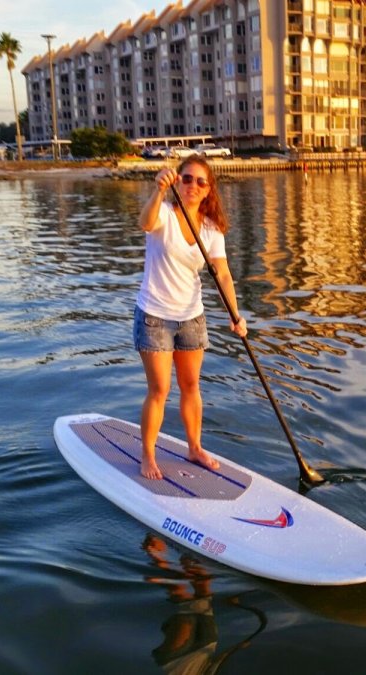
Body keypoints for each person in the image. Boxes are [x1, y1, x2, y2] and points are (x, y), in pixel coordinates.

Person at [135, 157, 247, 480]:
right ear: (177, 181)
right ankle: (147, 454)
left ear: (208, 189)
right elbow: (145, 223)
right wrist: (158, 191)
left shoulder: (211, 229)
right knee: (160, 389)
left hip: (191, 317)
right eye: (187, 178)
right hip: (155, 316)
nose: (193, 186)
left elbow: (222, 274)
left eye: (200, 181)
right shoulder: (164, 214)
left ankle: (195, 448)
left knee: (191, 385)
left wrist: (235, 314)